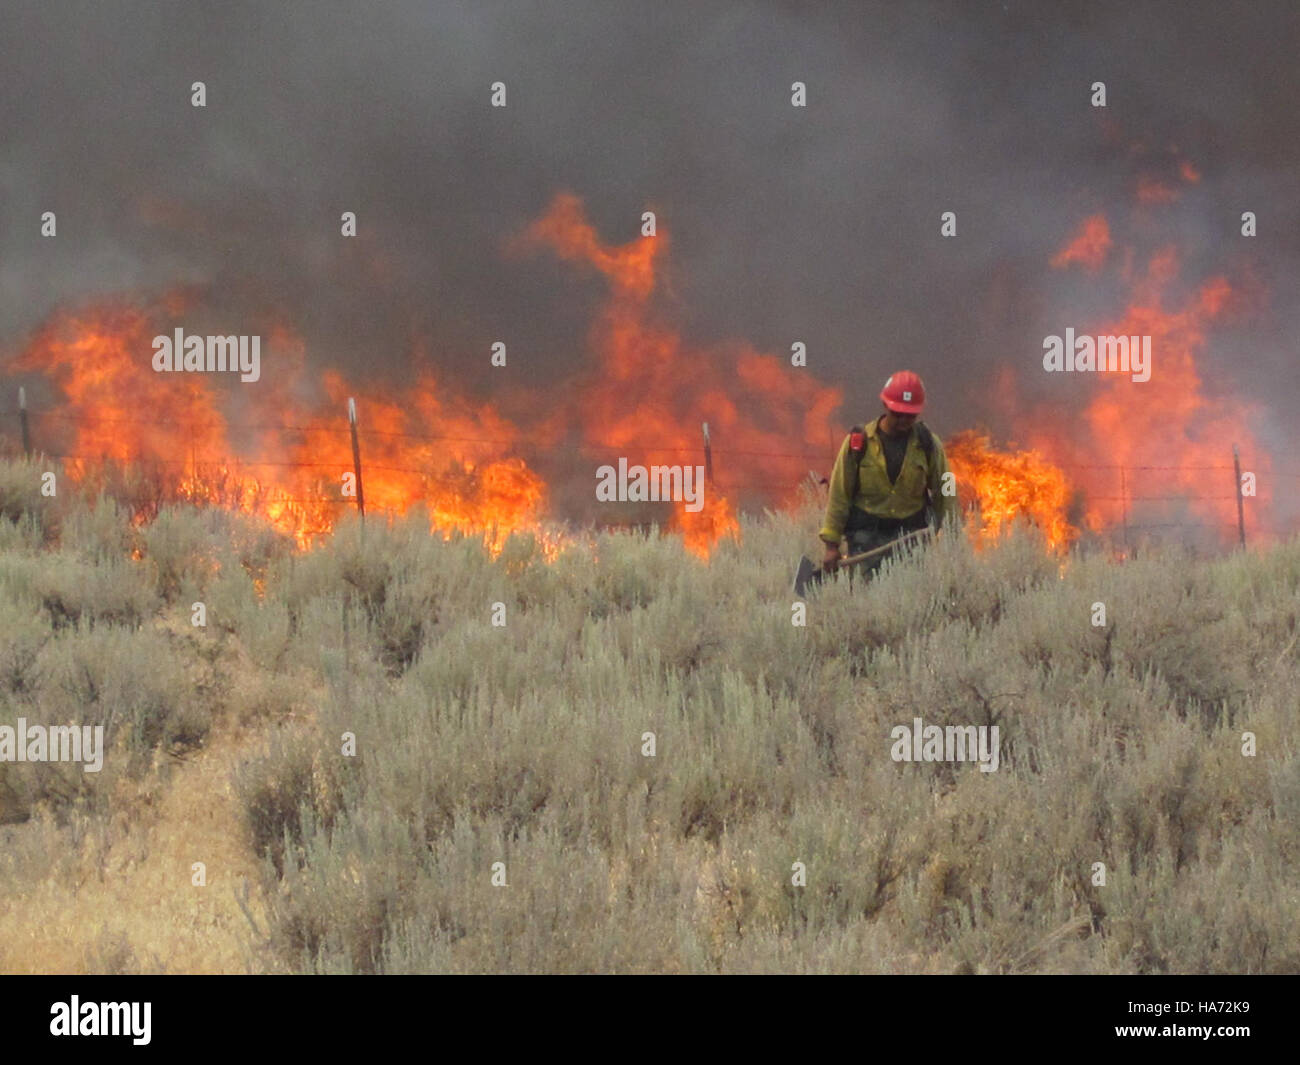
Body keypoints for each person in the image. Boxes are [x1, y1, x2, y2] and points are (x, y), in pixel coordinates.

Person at [819, 370, 957, 580]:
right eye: (897, 413)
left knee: (912, 600)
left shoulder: (928, 445)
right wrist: (831, 545)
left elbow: (946, 492)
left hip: (911, 540)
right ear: (885, 405)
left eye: (910, 415)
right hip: (866, 542)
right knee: (867, 603)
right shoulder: (858, 443)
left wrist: (953, 537)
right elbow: (840, 494)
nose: (903, 420)